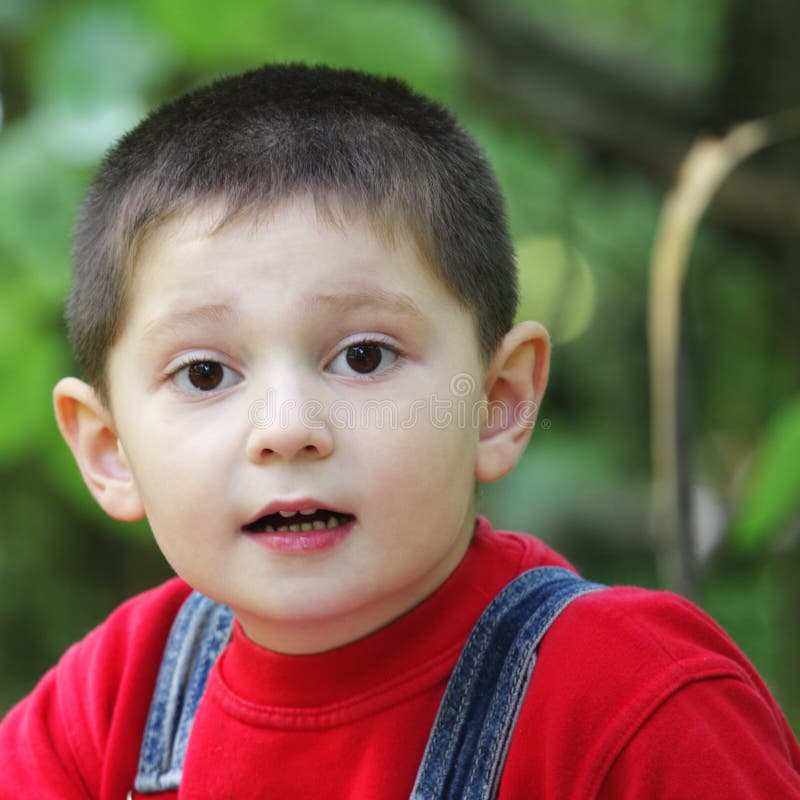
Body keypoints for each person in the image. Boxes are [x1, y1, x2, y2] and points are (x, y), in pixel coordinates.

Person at [1, 63, 798, 799]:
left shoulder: (630, 705)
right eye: (205, 374)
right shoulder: (117, 703)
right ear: (109, 452)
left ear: (498, 400)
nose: (287, 430)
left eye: (363, 356)